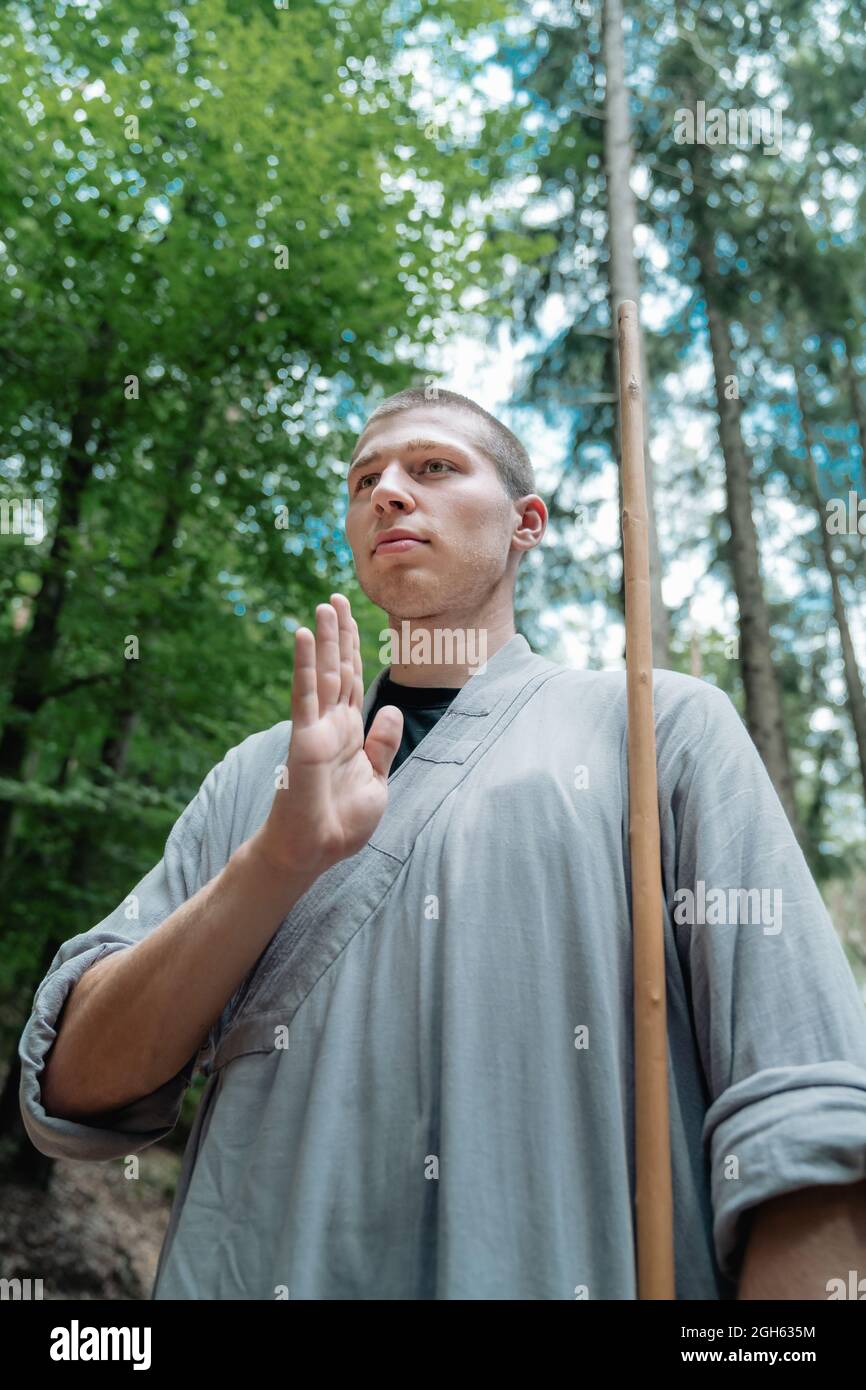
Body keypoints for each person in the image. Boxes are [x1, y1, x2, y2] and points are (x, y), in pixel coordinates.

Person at [18, 387, 866, 1300]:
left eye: (433, 468)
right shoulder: (255, 778)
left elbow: (801, 1116)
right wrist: (277, 861)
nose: (386, 492)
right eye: (364, 480)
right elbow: (72, 1088)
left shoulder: (656, 728)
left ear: (525, 523)